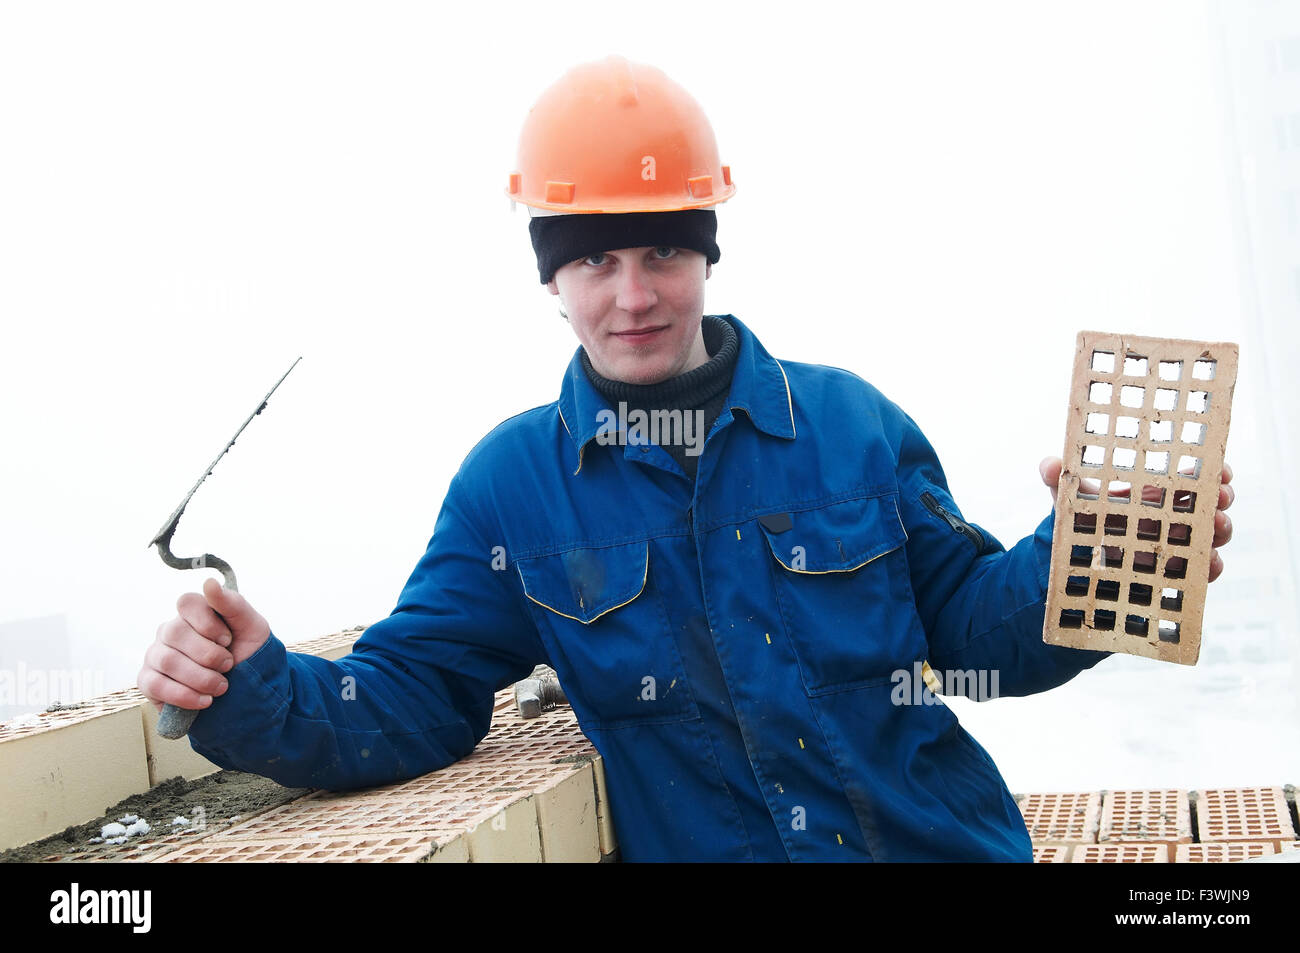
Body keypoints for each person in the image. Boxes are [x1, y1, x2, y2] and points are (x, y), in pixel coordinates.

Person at [137, 55, 1235, 861]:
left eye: (663, 247)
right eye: (596, 257)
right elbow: (409, 696)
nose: (633, 293)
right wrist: (249, 684)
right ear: (550, 280)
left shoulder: (853, 424)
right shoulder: (511, 489)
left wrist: (1093, 557)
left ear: (706, 251)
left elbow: (967, 635)